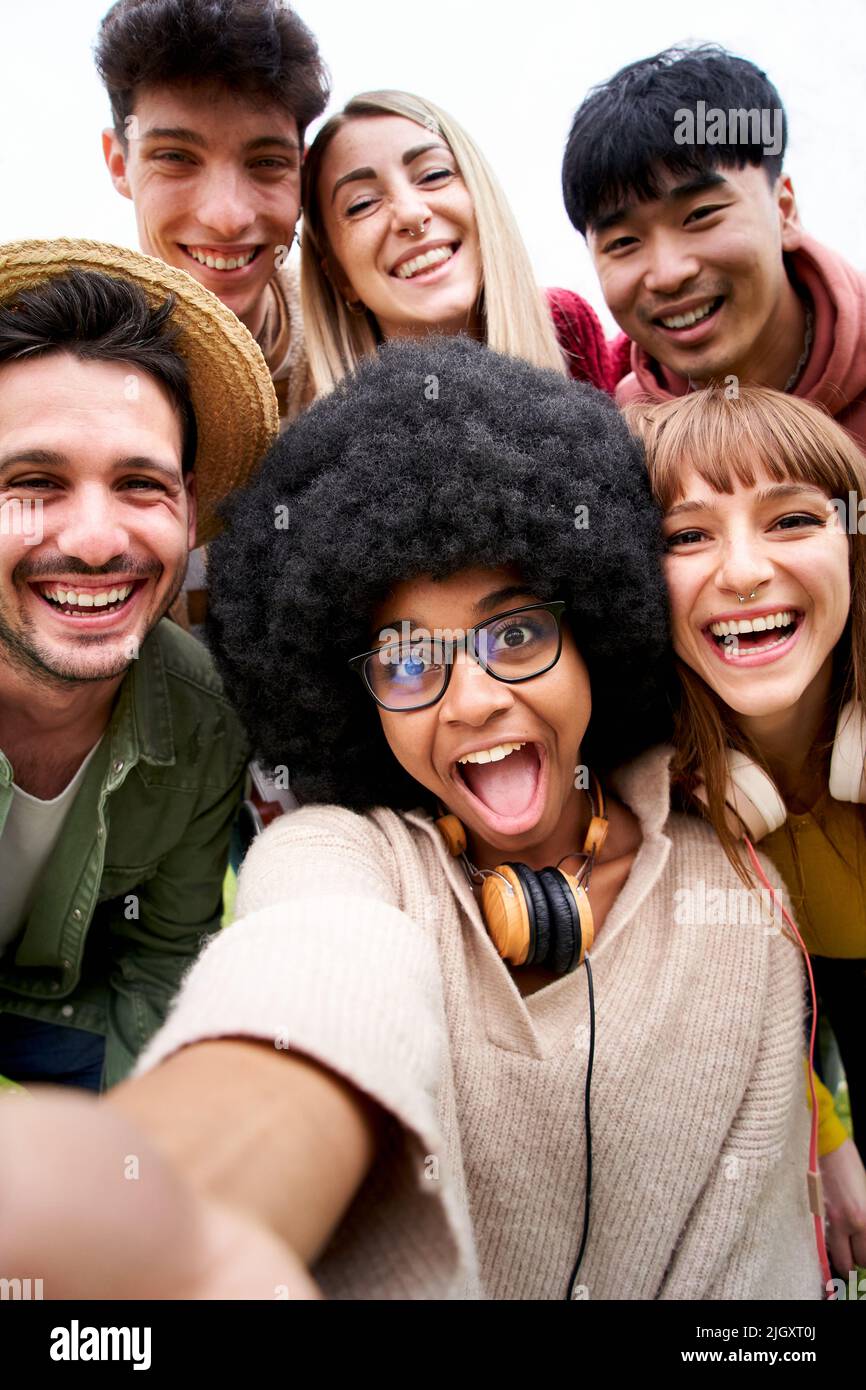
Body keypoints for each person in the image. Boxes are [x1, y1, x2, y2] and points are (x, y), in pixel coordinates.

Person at [0, 339, 823, 1300]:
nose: (472, 700)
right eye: (405, 659)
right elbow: (304, 993)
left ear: (598, 629)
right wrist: (188, 1210)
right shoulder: (340, 855)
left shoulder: (742, 913)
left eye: (516, 633)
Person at [0, 237, 278, 1091]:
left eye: (139, 485)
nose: (93, 543)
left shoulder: (208, 720)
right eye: (33, 483)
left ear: (191, 510)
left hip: (55, 1017)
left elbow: (161, 966)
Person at [633, 384, 866, 1277]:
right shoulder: (650, 793)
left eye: (791, 520)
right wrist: (828, 1136)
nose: (742, 572)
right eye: (686, 536)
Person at [562, 45, 866, 445]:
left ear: (784, 210)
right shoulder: (623, 443)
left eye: (700, 215)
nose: (669, 275)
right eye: (624, 242)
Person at [95, 0, 329, 423]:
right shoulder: (50, 366)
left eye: (266, 162)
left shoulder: (365, 350)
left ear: (303, 174)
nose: (227, 218)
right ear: (119, 164)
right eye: (176, 158)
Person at [300, 90, 614, 397]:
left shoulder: (567, 327)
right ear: (340, 277)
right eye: (362, 204)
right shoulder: (319, 438)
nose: (412, 214)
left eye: (434, 174)